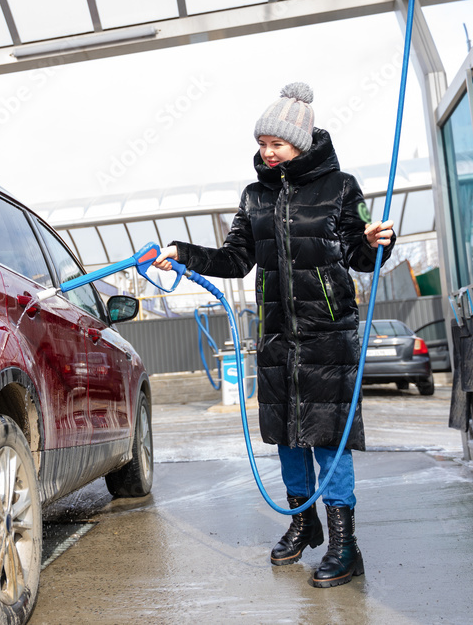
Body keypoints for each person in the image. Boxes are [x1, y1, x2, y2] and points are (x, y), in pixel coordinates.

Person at [154, 82, 395, 588]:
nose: (266, 152)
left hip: (329, 336)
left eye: (276, 143)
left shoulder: (342, 187)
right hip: (279, 339)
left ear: (301, 142)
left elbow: (361, 252)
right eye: (262, 142)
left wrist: (378, 241)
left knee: (330, 440)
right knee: (286, 437)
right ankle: (302, 523)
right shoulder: (255, 196)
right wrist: (184, 252)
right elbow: (237, 259)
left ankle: (345, 544)